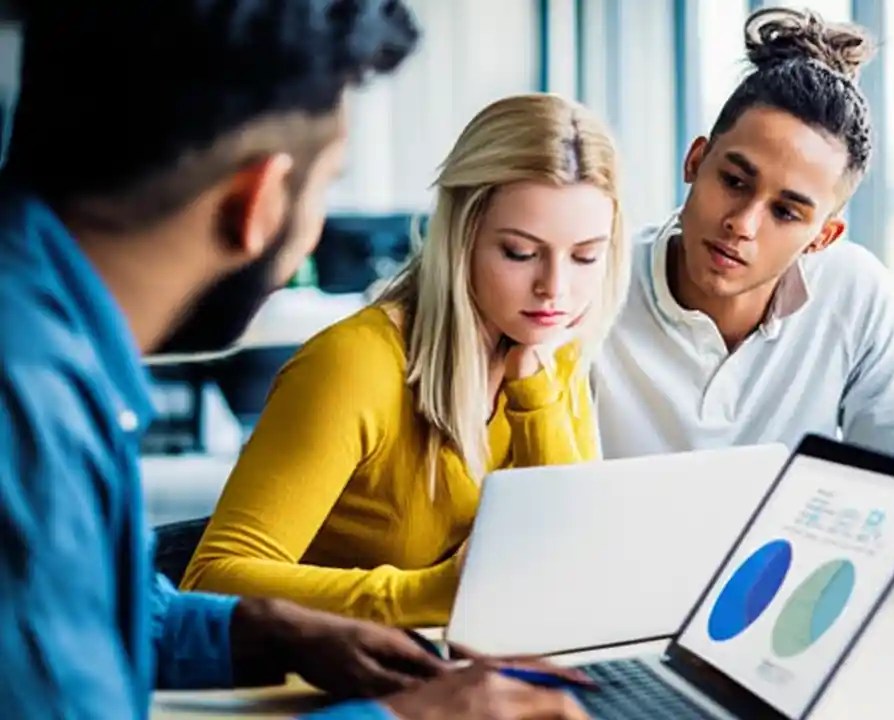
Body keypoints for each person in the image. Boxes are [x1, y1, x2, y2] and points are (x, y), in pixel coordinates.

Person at [0, 2, 586, 718]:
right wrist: (412, 716)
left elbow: (98, 603)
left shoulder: (47, 343)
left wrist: (265, 630)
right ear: (261, 199)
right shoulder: (27, 417)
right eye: (328, 183)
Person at [180, 93, 629, 628]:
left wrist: (534, 389)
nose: (555, 288)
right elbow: (211, 579)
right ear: (461, 236)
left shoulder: (550, 350)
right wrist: (429, 593)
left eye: (585, 256)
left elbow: (567, 563)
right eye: (520, 252)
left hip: (465, 678)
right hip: (328, 689)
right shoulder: (355, 364)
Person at [590, 7, 894, 471]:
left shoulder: (855, 292)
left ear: (822, 238)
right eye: (734, 181)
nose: (743, 224)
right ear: (696, 160)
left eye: (785, 212)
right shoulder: (593, 282)